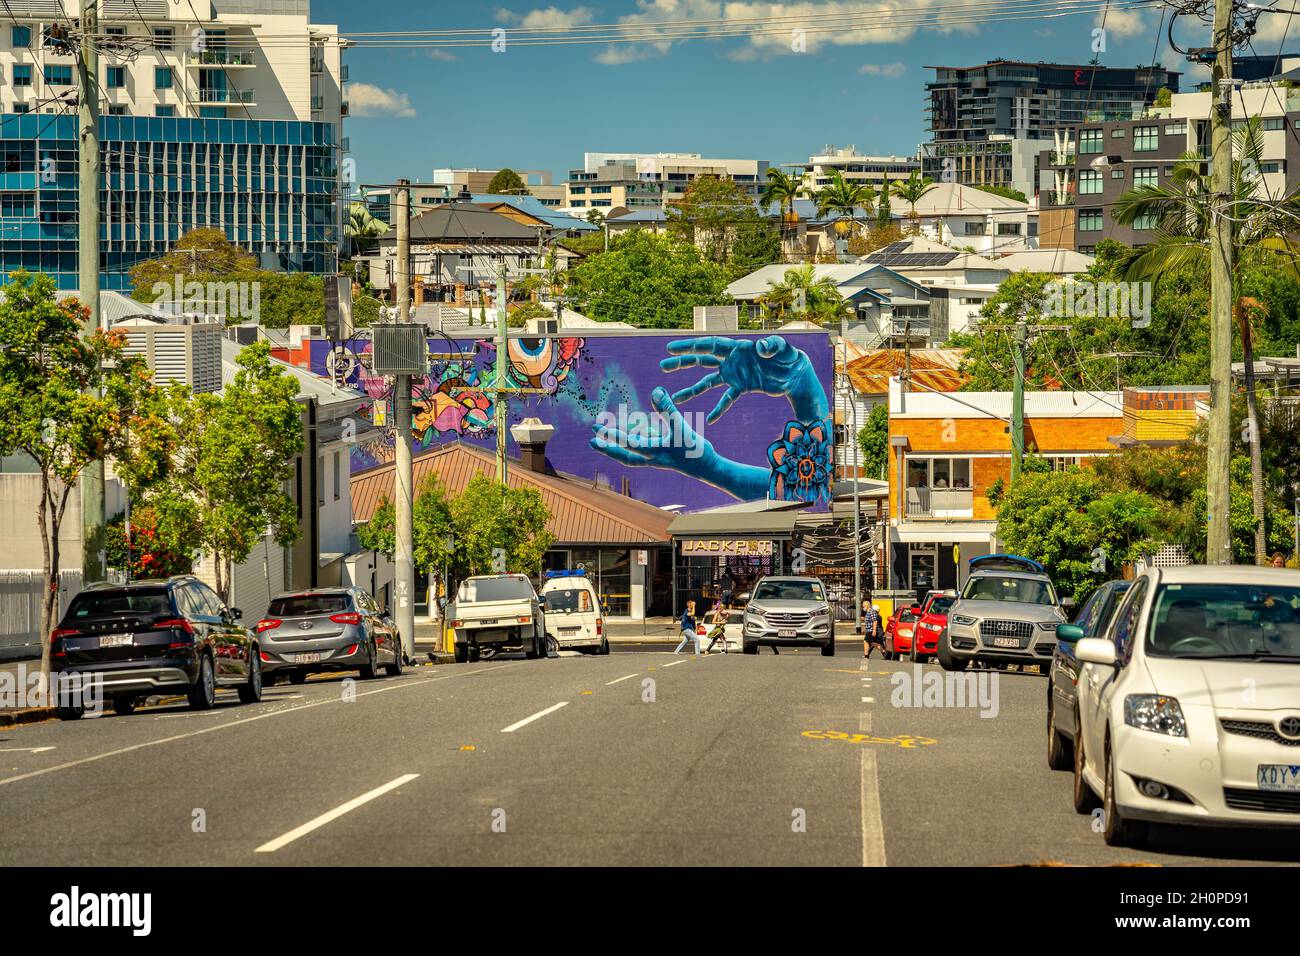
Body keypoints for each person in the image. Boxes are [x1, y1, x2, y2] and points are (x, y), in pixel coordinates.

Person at [862, 592, 883, 659]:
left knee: (866, 641)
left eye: (863, 606)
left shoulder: (871, 612)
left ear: (867, 606)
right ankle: (884, 652)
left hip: (871, 630)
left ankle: (866, 655)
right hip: (869, 630)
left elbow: (875, 621)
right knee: (873, 643)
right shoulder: (868, 612)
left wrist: (874, 631)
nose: (863, 608)